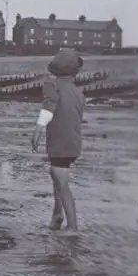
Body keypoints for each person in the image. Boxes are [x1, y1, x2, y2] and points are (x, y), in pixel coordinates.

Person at [31, 48, 86, 231]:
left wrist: (39, 128)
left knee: (62, 182)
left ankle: (73, 226)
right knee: (56, 174)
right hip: (73, 143)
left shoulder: (51, 85)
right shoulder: (78, 93)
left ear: (54, 70)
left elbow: (49, 105)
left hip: (60, 143)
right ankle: (57, 215)